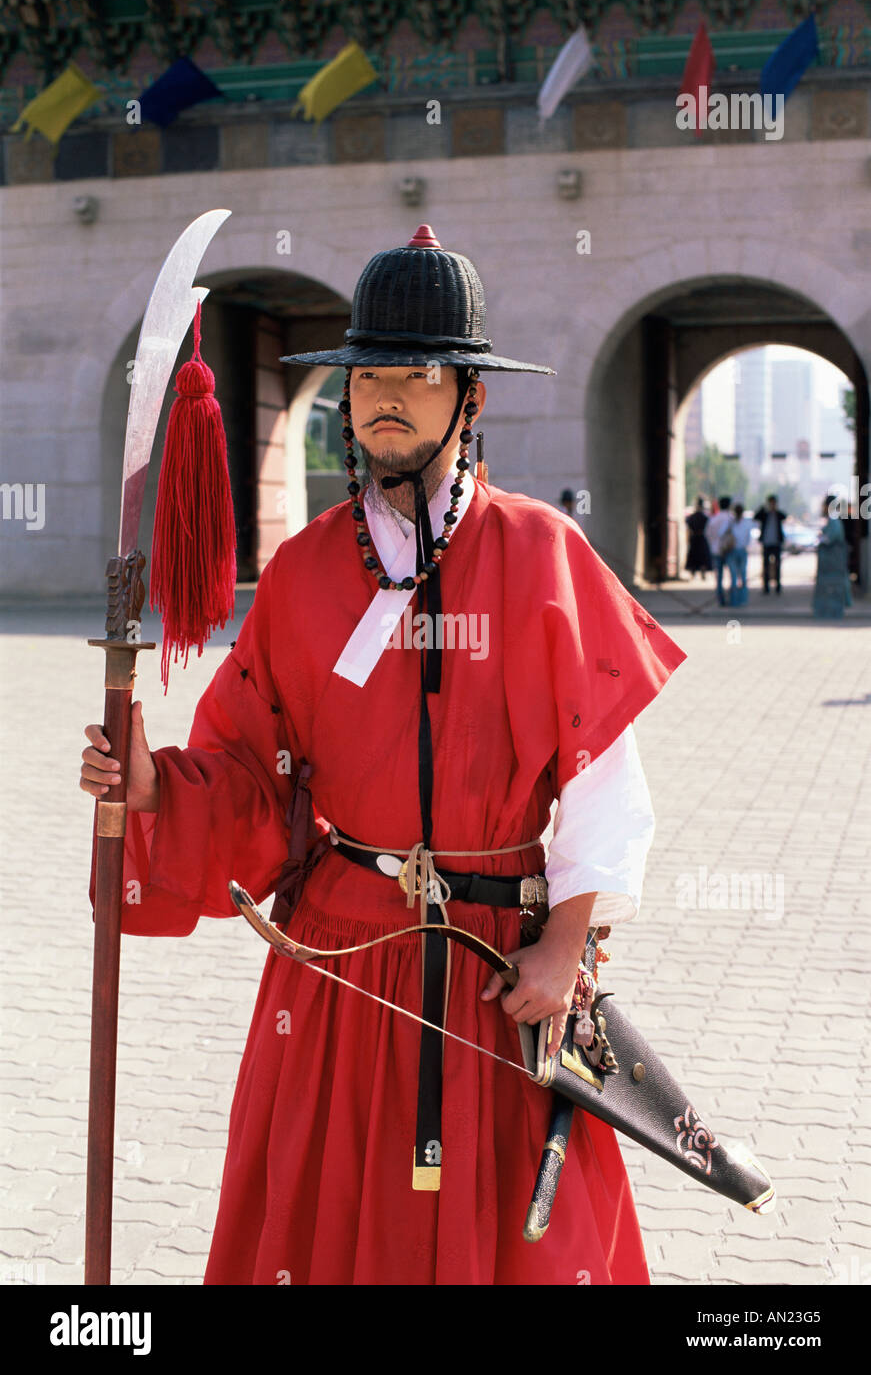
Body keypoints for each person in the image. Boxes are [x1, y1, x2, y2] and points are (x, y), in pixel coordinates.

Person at [80, 225, 686, 1286]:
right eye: (369, 376)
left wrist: (567, 946)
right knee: (325, 1223)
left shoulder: (543, 555)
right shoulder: (307, 574)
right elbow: (246, 769)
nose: (386, 398)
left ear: (471, 397)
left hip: (502, 966)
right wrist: (151, 788)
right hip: (339, 967)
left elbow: (603, 780)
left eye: (418, 373)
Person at [813, 494, 853, 619]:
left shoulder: (834, 522)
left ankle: (833, 613)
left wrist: (821, 538)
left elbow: (830, 539)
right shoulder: (832, 521)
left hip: (833, 564)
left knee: (833, 589)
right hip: (830, 563)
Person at [705, 496, 735, 606]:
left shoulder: (714, 519)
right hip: (729, 551)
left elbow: (708, 534)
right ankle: (733, 599)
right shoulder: (731, 519)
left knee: (719, 578)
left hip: (716, 551)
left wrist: (714, 544)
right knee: (733, 576)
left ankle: (720, 600)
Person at [754, 494, 786, 594]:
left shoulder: (777, 514)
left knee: (777, 565)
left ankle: (778, 585)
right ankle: (766, 586)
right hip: (767, 543)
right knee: (766, 566)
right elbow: (756, 517)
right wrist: (763, 508)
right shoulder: (765, 514)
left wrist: (775, 510)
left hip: (776, 543)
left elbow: (784, 516)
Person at [727, 503, 752, 607]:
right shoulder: (746, 523)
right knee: (743, 576)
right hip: (742, 550)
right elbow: (748, 539)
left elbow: (720, 533)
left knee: (733, 577)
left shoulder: (731, 523)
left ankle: (734, 600)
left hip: (733, 551)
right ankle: (743, 600)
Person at [684, 496, 711, 579]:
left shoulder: (692, 517)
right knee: (702, 557)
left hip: (695, 538)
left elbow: (689, 527)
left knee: (694, 556)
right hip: (701, 538)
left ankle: (694, 572)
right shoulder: (704, 517)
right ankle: (701, 572)